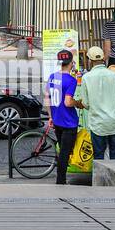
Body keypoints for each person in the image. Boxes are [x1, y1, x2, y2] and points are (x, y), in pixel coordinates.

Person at [76, 46, 115, 160]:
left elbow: (86, 103)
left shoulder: (86, 78)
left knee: (99, 156)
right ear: (103, 59)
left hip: (97, 123)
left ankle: (100, 178)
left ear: (90, 60)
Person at [47, 48, 79, 185]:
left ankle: (61, 179)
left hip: (57, 120)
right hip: (69, 122)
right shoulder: (71, 80)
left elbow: (47, 98)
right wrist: (79, 103)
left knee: (62, 150)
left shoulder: (52, 77)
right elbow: (68, 102)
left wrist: (50, 116)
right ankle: (61, 181)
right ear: (72, 63)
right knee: (65, 153)